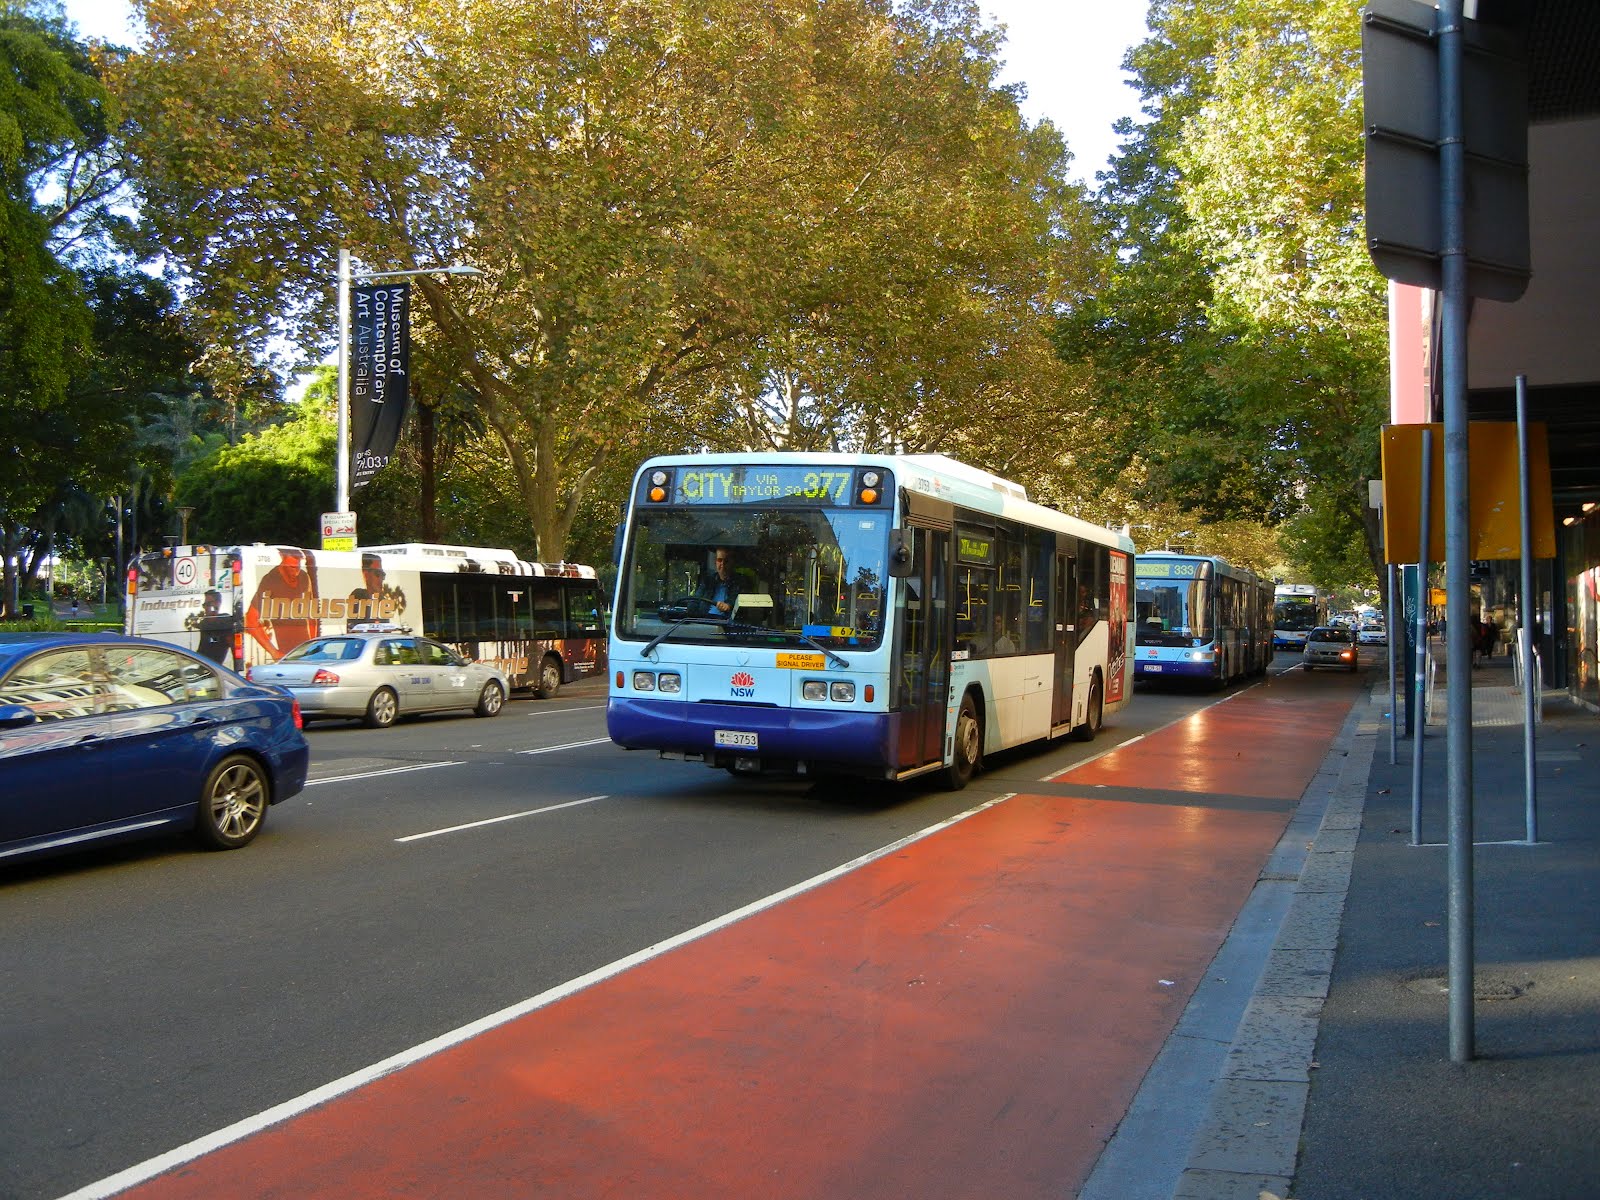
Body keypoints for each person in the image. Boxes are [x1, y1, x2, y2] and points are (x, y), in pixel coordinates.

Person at [244, 547, 319, 659]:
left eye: (297, 567)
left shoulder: (303, 577)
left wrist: (312, 646)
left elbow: (311, 615)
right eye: (291, 567)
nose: (295, 572)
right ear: (282, 560)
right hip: (286, 652)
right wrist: (273, 652)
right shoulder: (270, 580)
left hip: (304, 651)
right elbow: (250, 620)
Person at [697, 547, 738, 616]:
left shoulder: (741, 582)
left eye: (726, 561)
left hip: (728, 624)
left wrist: (729, 605)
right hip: (705, 622)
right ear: (715, 562)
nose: (723, 564)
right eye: (719, 560)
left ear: (732, 563)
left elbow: (740, 601)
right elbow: (694, 601)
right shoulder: (707, 581)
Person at [195, 589, 232, 664]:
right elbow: (202, 649)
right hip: (204, 665)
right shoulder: (205, 623)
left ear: (217, 604)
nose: (205, 608)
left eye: (208, 604)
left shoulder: (225, 621)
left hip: (215, 668)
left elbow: (232, 644)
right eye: (204, 605)